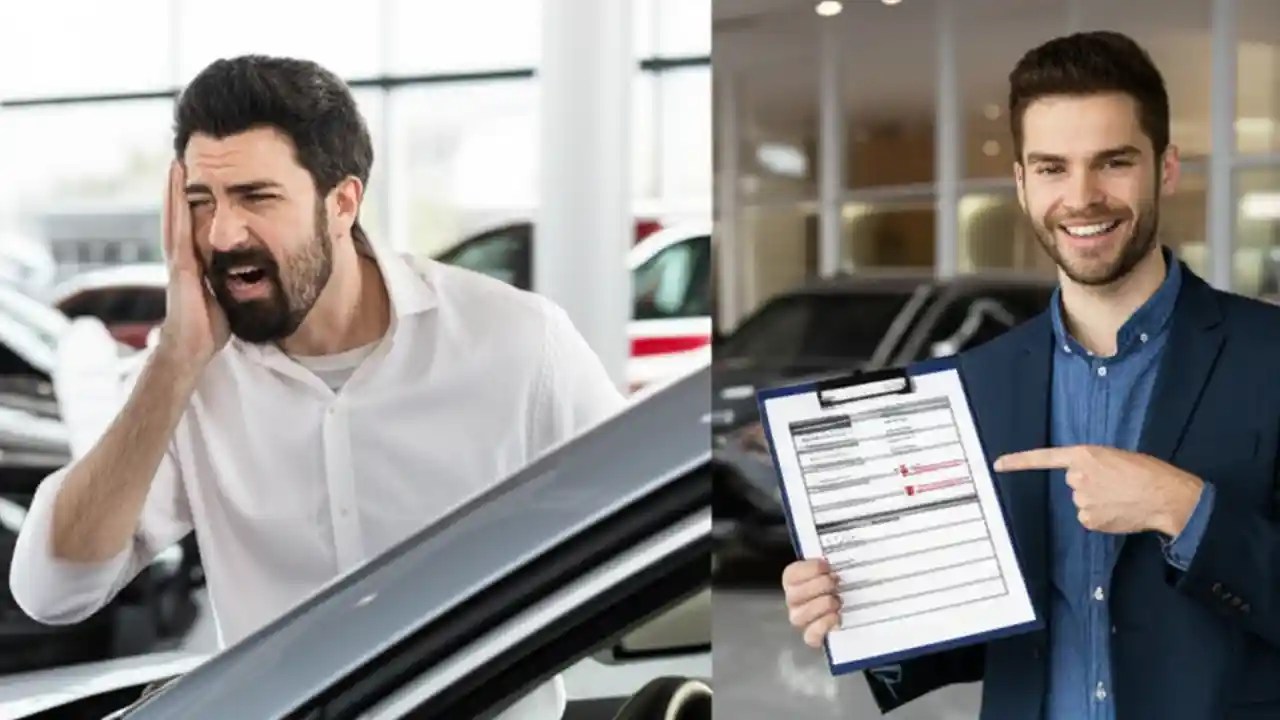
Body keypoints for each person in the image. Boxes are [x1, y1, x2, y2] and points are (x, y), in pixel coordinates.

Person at [10, 55, 625, 718]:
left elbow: (652, 527)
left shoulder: (518, 345)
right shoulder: (190, 382)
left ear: (342, 202)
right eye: (200, 201)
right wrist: (175, 361)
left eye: (256, 197)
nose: (221, 233)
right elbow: (53, 592)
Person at [780, 30, 1280, 719]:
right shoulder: (971, 386)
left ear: (1165, 168)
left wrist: (1184, 509)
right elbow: (973, 634)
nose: (1082, 197)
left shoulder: (1269, 355)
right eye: (1051, 168)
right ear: (1019, 182)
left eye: (1113, 162)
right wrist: (857, 604)